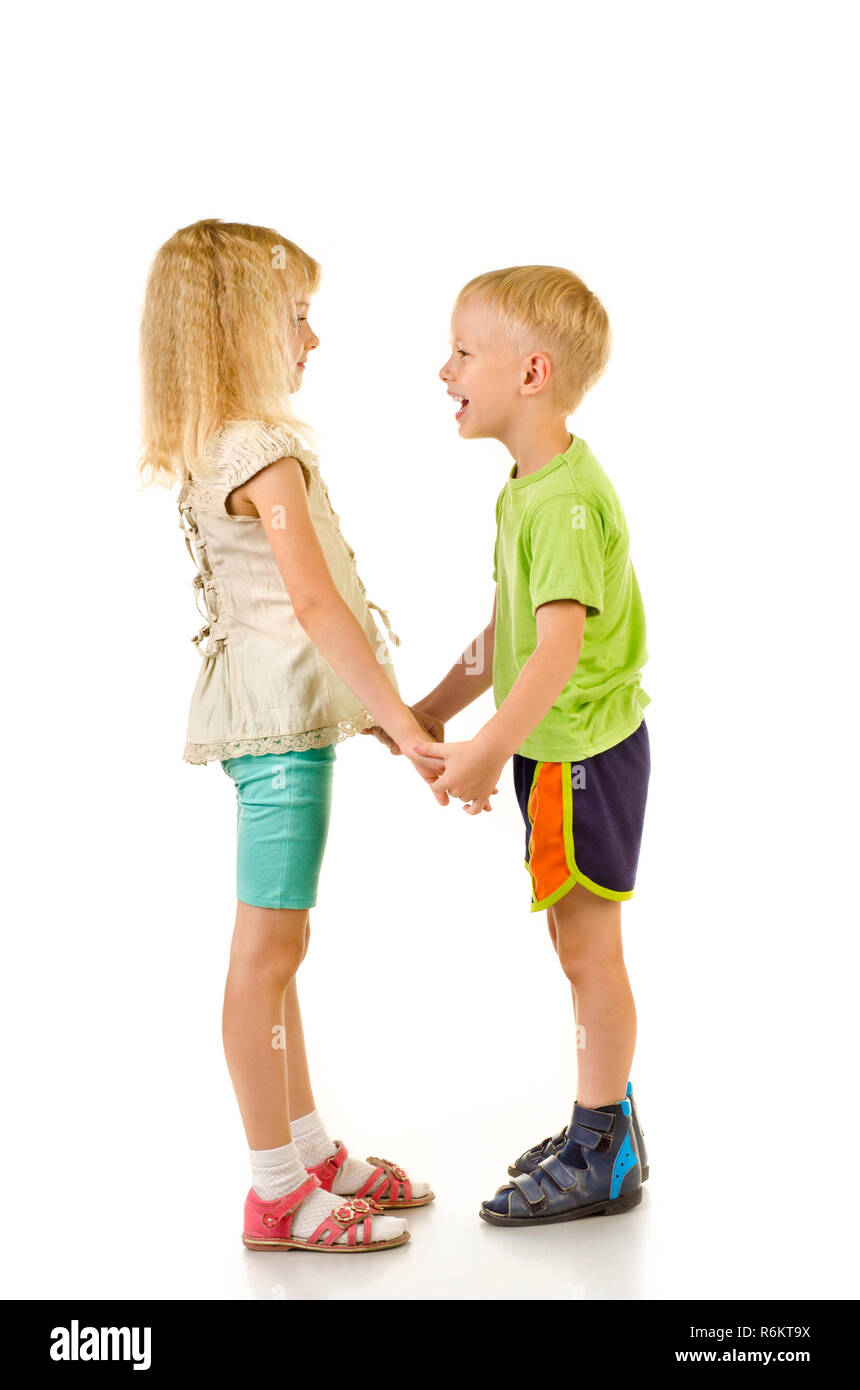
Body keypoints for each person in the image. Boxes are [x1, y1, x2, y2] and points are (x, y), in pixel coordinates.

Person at [138, 219, 443, 1252]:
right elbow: (315, 606)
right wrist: (401, 722)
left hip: (273, 725)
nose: (313, 338)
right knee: (265, 951)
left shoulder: (219, 446)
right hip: (276, 737)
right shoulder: (261, 455)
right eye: (296, 317)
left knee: (283, 945)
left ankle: (305, 1148)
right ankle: (274, 1187)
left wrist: (389, 715)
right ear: (236, 331)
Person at [412, 265, 652, 1225]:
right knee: (573, 940)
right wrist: (438, 703)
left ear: (532, 372)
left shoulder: (558, 503)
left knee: (590, 951)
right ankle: (611, 1124)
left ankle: (601, 1147)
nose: (444, 370)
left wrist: (477, 748)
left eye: (464, 352)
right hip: (554, 750)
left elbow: (555, 654)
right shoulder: (530, 488)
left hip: (576, 754)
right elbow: (509, 626)